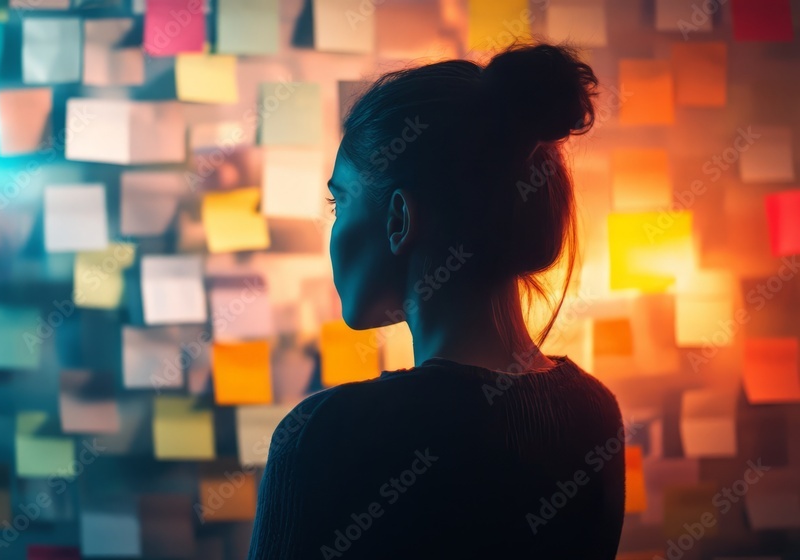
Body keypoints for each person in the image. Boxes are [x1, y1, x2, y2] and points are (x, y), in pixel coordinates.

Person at [247, 41, 626, 560]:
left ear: (400, 219)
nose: (333, 229)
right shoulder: (595, 412)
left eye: (340, 201)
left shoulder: (324, 438)